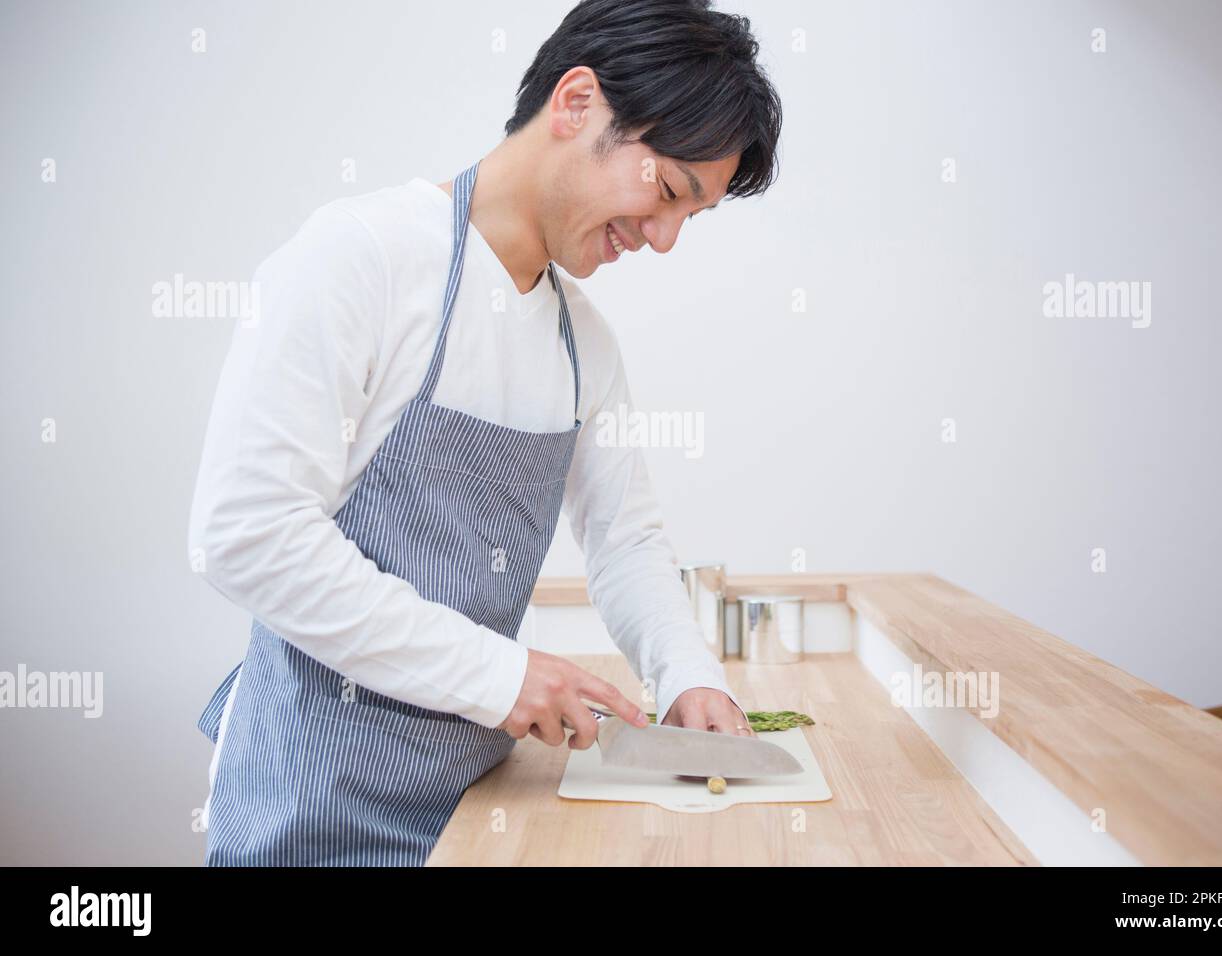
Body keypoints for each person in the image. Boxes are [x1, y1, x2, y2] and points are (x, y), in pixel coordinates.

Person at [191, 0, 783, 866]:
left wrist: (688, 675)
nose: (662, 241)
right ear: (576, 102)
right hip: (306, 808)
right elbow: (246, 534)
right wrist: (499, 677)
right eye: (665, 191)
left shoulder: (586, 349)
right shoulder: (361, 259)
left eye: (688, 219)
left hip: (477, 809)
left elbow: (624, 540)